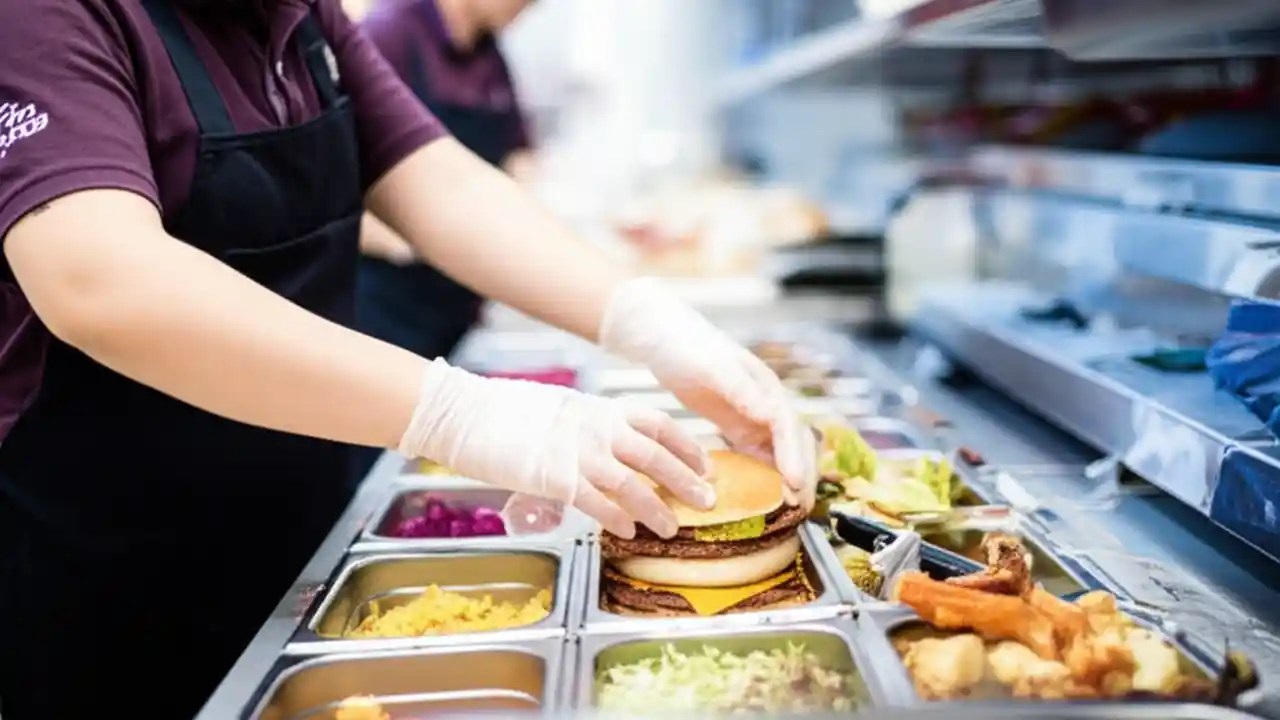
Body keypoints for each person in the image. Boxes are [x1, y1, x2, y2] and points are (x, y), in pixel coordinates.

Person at [0, 0, 815, 717]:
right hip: (109, 575)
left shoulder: (298, 15)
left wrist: (653, 324)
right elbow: (98, 279)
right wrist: (462, 411)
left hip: (299, 541)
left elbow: (438, 182)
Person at [349, 0, 538, 480]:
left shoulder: (489, 51)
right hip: (389, 313)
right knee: (380, 467)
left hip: (457, 305)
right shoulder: (390, 33)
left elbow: (518, 158)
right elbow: (339, 191)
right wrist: (430, 241)